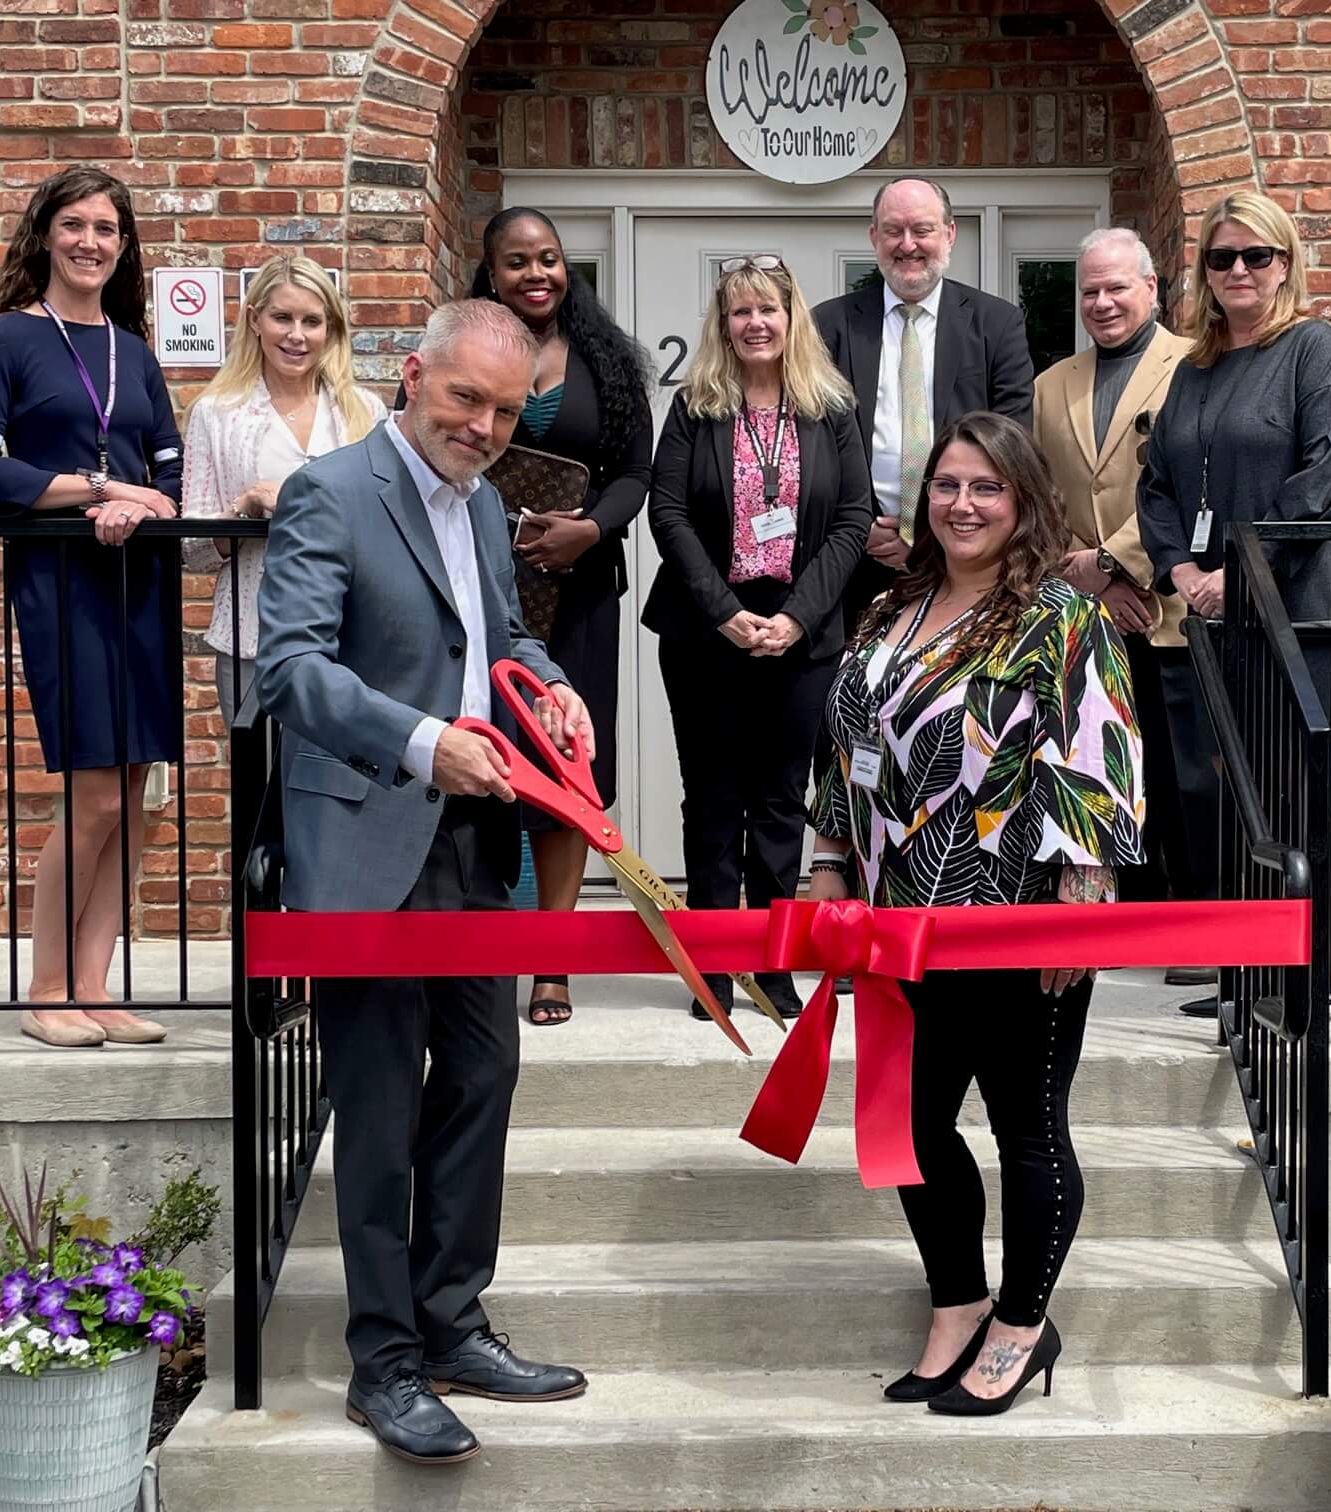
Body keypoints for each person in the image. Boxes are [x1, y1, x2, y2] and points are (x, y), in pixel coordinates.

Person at [255, 299, 595, 1464]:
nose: (485, 426)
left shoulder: (487, 508)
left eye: (505, 411)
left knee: (485, 1077)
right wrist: (418, 740)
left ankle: (452, 1324)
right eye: (466, 400)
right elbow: (289, 670)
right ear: (412, 375)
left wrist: (548, 684)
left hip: (473, 841)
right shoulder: (331, 491)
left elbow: (497, 638)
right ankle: (383, 1362)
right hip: (368, 842)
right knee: (383, 1106)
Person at [808, 411, 1144, 1416]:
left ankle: (1021, 1324)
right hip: (896, 913)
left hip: (1018, 911)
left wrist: (1084, 892)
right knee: (909, 1124)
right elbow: (844, 754)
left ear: (1023, 501)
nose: (964, 505)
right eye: (948, 485)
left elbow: (1099, 750)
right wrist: (827, 863)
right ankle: (955, 1301)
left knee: (1025, 1126)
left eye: (987, 488)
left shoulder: (1060, 616)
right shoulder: (885, 614)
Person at [0, 166, 183, 1050]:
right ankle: (46, 990)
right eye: (76, 225)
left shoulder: (136, 350)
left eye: (108, 230)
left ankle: (96, 985)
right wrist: (99, 490)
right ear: (46, 233)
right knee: (90, 796)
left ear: (123, 248)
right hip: (61, 584)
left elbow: (171, 475)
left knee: (132, 798)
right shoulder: (7, 340)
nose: (91, 242)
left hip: (140, 585)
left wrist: (139, 501)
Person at [1137, 190, 1331, 1006]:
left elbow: (1329, 472)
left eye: (1256, 256)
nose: (1238, 270)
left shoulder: (1314, 349)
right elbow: (1158, 483)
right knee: (1236, 786)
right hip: (1213, 612)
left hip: (1298, 605)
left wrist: (1249, 567)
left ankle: (1314, 968)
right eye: (1221, 257)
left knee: (1306, 785)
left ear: (1284, 265)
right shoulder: (1195, 367)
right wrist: (1179, 570)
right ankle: (1252, 966)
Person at [645, 254, 874, 1023]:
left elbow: (852, 520)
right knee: (712, 799)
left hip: (800, 633)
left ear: (790, 316)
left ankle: (774, 963)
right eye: (740, 311)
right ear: (723, 322)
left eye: (768, 309)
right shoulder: (695, 407)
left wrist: (798, 617)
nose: (755, 323)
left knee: (780, 800)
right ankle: (713, 965)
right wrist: (722, 611)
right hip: (709, 628)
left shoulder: (831, 408)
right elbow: (667, 514)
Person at [471, 208, 655, 1027]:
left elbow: (637, 471)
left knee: (567, 770)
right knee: (483, 766)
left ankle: (552, 962)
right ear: (491, 270)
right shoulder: (468, 348)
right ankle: (481, 951)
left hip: (578, 594)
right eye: (517, 263)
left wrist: (591, 529)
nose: (536, 275)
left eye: (548, 259)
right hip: (478, 590)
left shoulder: (607, 359)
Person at [1031, 226, 1212, 990]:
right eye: (1090, 291)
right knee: (1105, 769)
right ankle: (1118, 918)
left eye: (1117, 288)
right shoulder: (1052, 384)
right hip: (1088, 617)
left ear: (1152, 289)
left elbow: (1196, 481)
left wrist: (1126, 565)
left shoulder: (1197, 365)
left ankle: (1194, 928)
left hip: (1168, 607)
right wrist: (1095, 580)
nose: (1102, 303)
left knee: (1183, 777)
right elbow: (1038, 495)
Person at [813, 177, 1035, 630]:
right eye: (893, 230)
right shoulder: (829, 325)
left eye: (922, 230)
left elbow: (1012, 447)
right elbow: (812, 448)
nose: (907, 244)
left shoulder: (998, 323)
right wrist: (859, 528)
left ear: (949, 234)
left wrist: (929, 534)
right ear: (874, 237)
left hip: (965, 557)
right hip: (852, 564)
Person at [182, 253, 386, 723]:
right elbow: (192, 550)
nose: (297, 335)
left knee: (342, 786)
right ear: (255, 320)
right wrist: (246, 509)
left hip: (353, 637)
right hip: (254, 640)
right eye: (282, 317)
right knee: (258, 789)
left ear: (330, 330)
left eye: (312, 321)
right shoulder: (217, 414)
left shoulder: (364, 412)